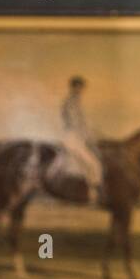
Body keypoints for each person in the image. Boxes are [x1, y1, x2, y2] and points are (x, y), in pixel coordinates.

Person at [56, 76, 105, 205]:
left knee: (94, 160)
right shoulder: (70, 102)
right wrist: (88, 134)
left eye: (82, 87)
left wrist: (94, 132)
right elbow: (75, 123)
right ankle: (93, 195)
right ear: (73, 87)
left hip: (77, 136)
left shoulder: (76, 102)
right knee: (94, 164)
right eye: (78, 87)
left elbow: (83, 123)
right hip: (72, 137)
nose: (80, 90)